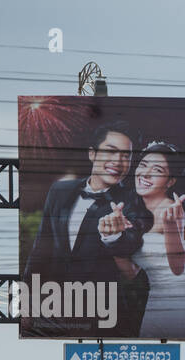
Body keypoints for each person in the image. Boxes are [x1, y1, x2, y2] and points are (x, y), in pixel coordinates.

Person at [23, 120, 144, 336]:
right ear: (92, 154)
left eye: (126, 156)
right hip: (53, 312)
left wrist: (115, 235)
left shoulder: (132, 199)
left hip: (106, 318)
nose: (118, 161)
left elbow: (132, 242)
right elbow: (41, 250)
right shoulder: (60, 190)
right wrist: (26, 304)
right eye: (111, 151)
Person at [105, 142, 185, 338]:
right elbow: (131, 273)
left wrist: (170, 227)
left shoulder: (175, 212)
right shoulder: (136, 214)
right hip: (154, 308)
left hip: (181, 309)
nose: (145, 173)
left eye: (157, 170)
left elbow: (177, 269)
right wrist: (112, 240)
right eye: (143, 165)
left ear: (170, 182)